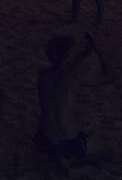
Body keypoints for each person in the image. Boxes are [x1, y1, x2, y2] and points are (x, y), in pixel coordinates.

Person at [35, 33, 109, 166]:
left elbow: (63, 68)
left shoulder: (42, 75)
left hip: (44, 141)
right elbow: (108, 77)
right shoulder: (74, 78)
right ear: (67, 56)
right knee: (106, 151)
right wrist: (100, 53)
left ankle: (56, 155)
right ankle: (70, 161)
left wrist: (85, 54)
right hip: (68, 141)